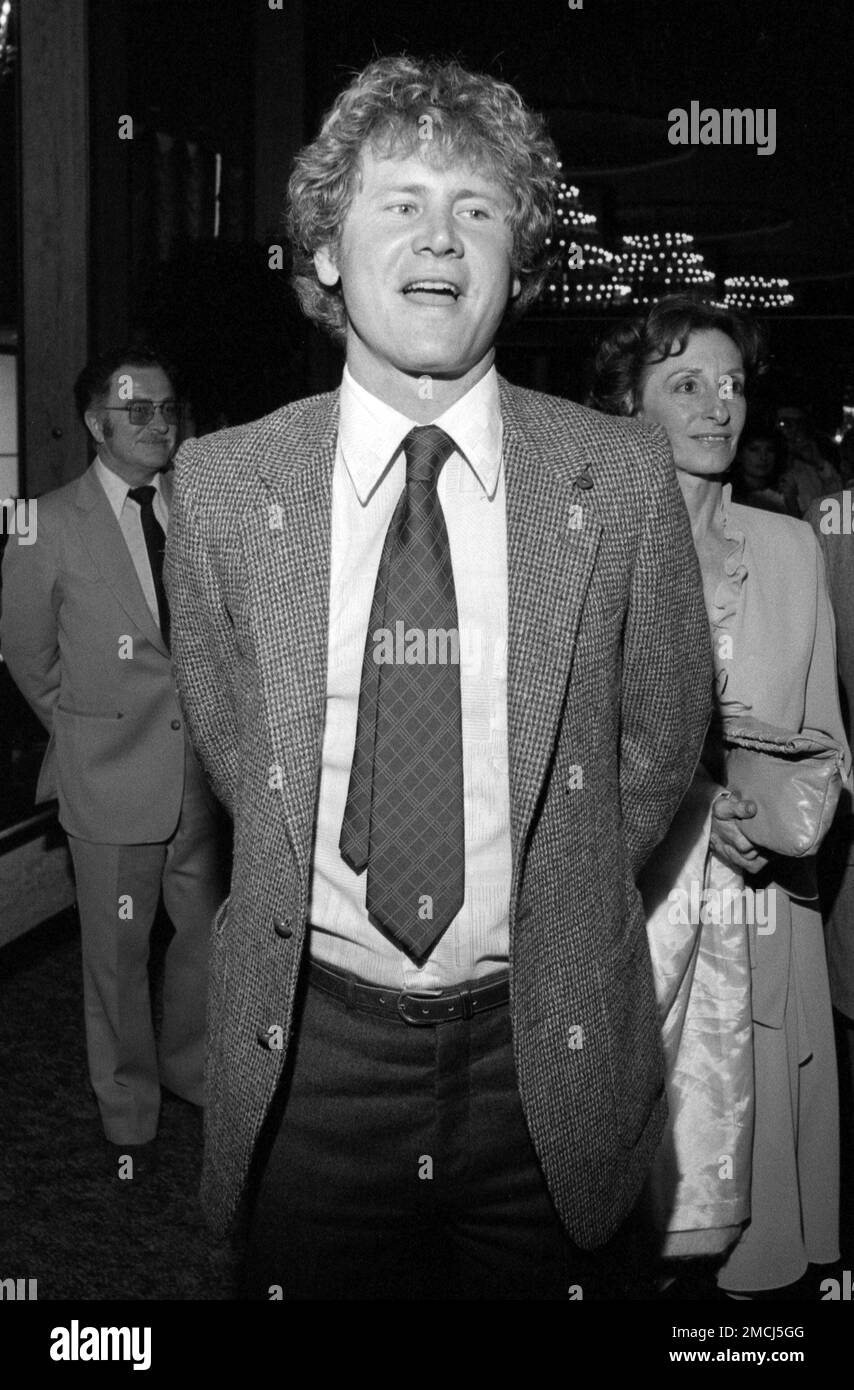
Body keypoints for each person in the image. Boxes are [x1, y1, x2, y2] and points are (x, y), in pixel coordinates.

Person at [165, 56, 710, 1301]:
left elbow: (656, 749)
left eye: (476, 208)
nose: (438, 237)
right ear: (321, 250)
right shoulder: (222, 490)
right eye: (397, 199)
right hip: (312, 1057)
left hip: (548, 1058)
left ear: (516, 266)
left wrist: (552, 872)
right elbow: (239, 751)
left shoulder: (617, 477)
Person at [590, 295, 850, 1294]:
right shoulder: (588, 551)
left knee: (751, 1201)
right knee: (633, 1183)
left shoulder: (789, 548)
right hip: (637, 911)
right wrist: (700, 814)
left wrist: (786, 819)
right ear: (625, 400)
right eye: (684, 383)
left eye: (730, 384)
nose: (717, 406)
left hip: (765, 910)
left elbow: (827, 739)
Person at [0, 346, 224, 1163]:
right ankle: (127, 1109)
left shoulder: (197, 511)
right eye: (139, 411)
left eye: (169, 409)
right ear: (98, 425)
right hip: (108, 782)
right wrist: (88, 729)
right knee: (117, 959)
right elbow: (28, 657)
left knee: (203, 939)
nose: (159, 423)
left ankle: (190, 1069)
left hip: (201, 778)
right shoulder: (46, 522)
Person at [730, 428, 797, 514]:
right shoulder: (727, 495)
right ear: (739, 454)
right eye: (754, 450)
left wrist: (791, 502)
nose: (763, 457)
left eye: (769, 450)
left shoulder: (783, 494)